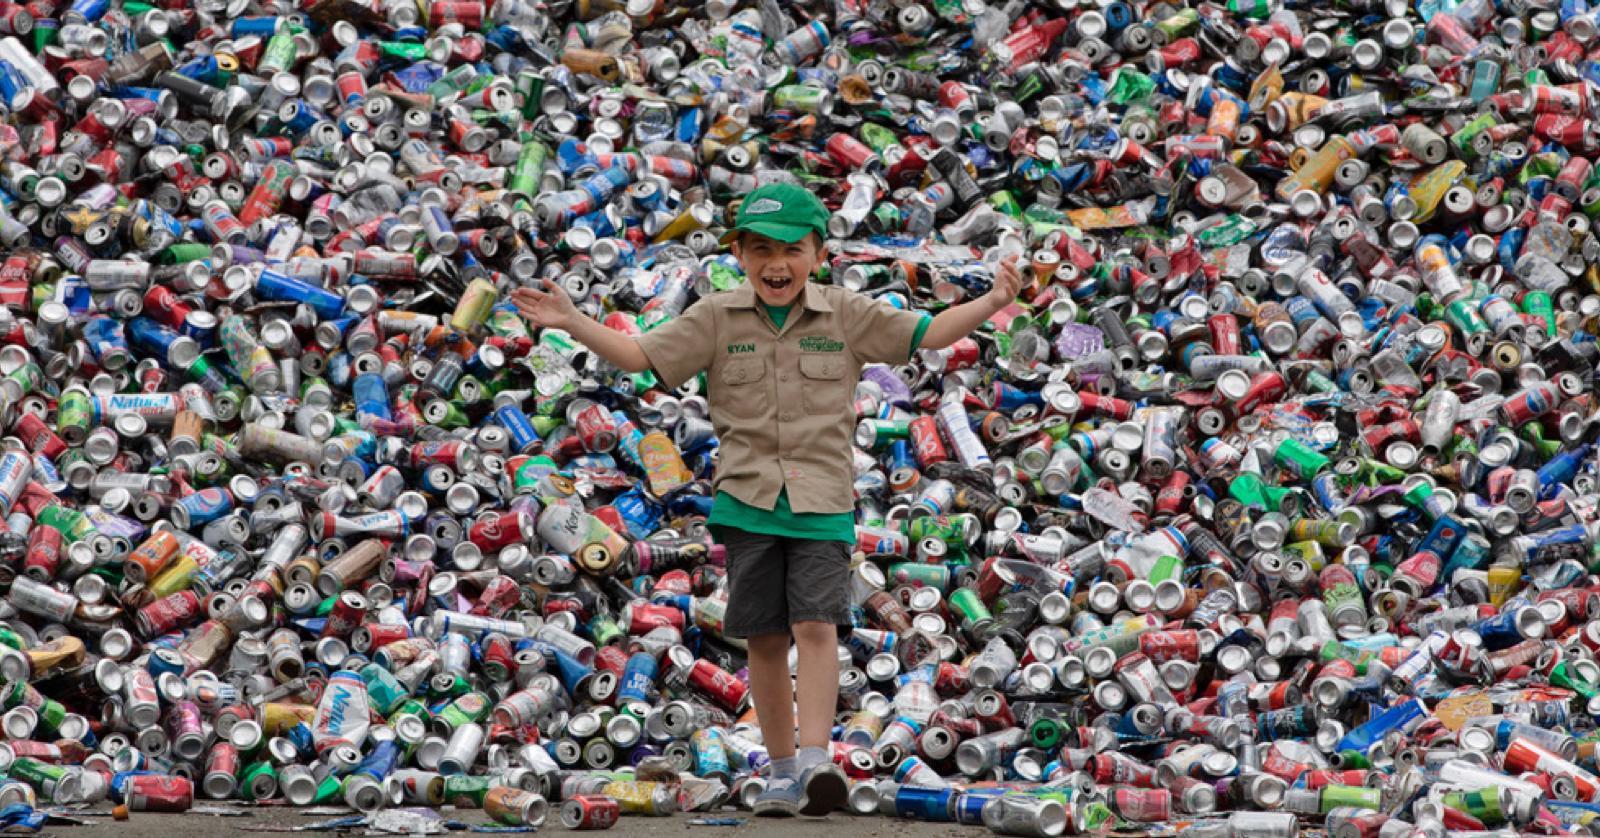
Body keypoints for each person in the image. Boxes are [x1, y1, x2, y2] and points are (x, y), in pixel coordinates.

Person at [512, 182, 1022, 817]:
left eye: (790, 250)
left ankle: (815, 763)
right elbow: (642, 356)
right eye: (759, 251)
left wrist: (993, 300)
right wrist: (572, 322)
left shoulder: (845, 313)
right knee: (764, 638)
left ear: (816, 253)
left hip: (823, 500)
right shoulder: (717, 316)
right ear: (742, 257)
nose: (775, 264)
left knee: (816, 625)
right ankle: (780, 772)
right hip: (747, 501)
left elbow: (927, 332)